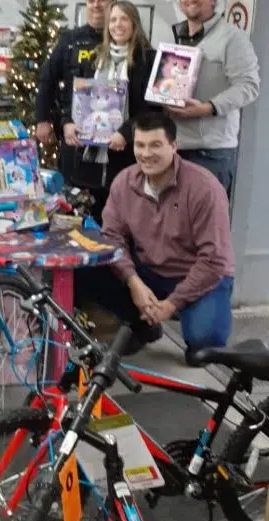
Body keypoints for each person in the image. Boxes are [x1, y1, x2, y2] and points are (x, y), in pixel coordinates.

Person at [76, 110, 234, 360]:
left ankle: (169, 313)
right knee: (84, 267)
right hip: (150, 270)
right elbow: (112, 238)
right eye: (140, 145)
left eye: (155, 145)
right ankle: (143, 325)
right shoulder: (124, 182)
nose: (146, 153)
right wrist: (134, 282)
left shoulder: (204, 188)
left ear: (174, 146)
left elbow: (214, 260)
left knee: (203, 349)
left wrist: (171, 304)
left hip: (201, 276)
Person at [59, 0, 158, 219]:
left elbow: (153, 109)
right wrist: (67, 122)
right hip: (90, 159)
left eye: (124, 18)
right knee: (92, 218)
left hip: (127, 154)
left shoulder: (148, 59)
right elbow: (73, 97)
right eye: (113, 19)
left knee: (123, 218)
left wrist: (125, 132)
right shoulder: (95, 57)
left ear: (134, 23)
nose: (118, 25)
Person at [164, 0, 260, 192]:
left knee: (206, 223)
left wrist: (209, 108)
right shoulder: (178, 37)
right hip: (175, 146)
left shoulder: (232, 37)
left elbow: (249, 86)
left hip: (211, 152)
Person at [35, 0, 116, 162]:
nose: (96, 5)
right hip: (73, 128)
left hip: (114, 132)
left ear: (113, 3)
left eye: (102, 0)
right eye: (91, 1)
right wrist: (42, 119)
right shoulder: (70, 39)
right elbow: (47, 79)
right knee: (73, 185)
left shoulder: (124, 39)